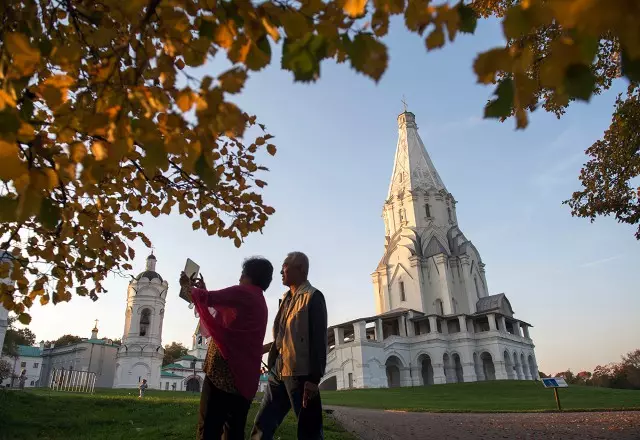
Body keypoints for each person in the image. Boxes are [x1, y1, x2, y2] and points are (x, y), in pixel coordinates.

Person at [180, 257, 273, 440]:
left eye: (242, 274)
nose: (239, 278)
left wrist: (187, 286)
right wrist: (203, 291)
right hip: (244, 380)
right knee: (233, 431)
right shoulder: (259, 302)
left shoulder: (244, 293)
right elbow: (225, 310)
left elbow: (207, 299)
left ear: (248, 276)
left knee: (209, 428)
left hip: (222, 375)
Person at [251, 252, 328, 440]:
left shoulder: (313, 297)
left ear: (301, 269)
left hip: (301, 376)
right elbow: (283, 337)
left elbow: (319, 340)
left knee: (309, 431)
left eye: (285, 266)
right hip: (278, 372)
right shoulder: (286, 298)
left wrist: (314, 379)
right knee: (262, 425)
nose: (280, 271)